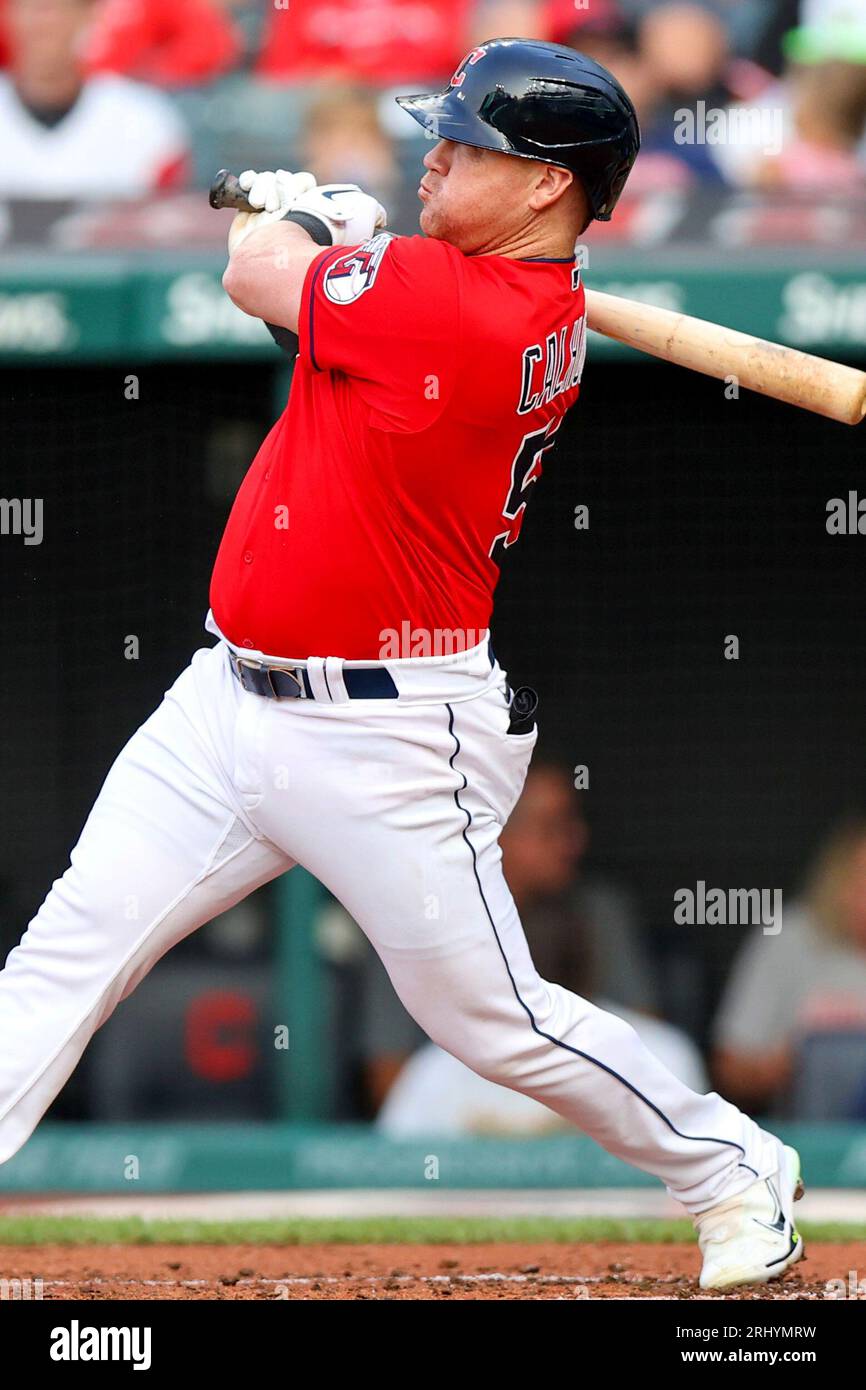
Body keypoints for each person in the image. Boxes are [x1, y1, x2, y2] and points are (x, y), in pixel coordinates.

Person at [0, 37, 801, 1292]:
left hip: (384, 731)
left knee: (487, 1018)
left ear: (547, 188)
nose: (433, 153)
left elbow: (255, 274)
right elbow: (323, 337)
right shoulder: (467, 292)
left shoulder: (459, 303)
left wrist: (310, 216)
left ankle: (730, 1166)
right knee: (71, 952)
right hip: (224, 701)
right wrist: (340, 245)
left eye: (467, 143)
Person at [713, 819, 866, 1115]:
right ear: (839, 883)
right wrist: (792, 1064)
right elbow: (729, 1069)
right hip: (811, 1136)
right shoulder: (790, 937)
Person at [0, 0, 189, 198]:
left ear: (88, 15)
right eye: (32, 7)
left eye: (58, 8)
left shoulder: (144, 119)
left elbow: (165, 216)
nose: (45, 21)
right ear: (8, 15)